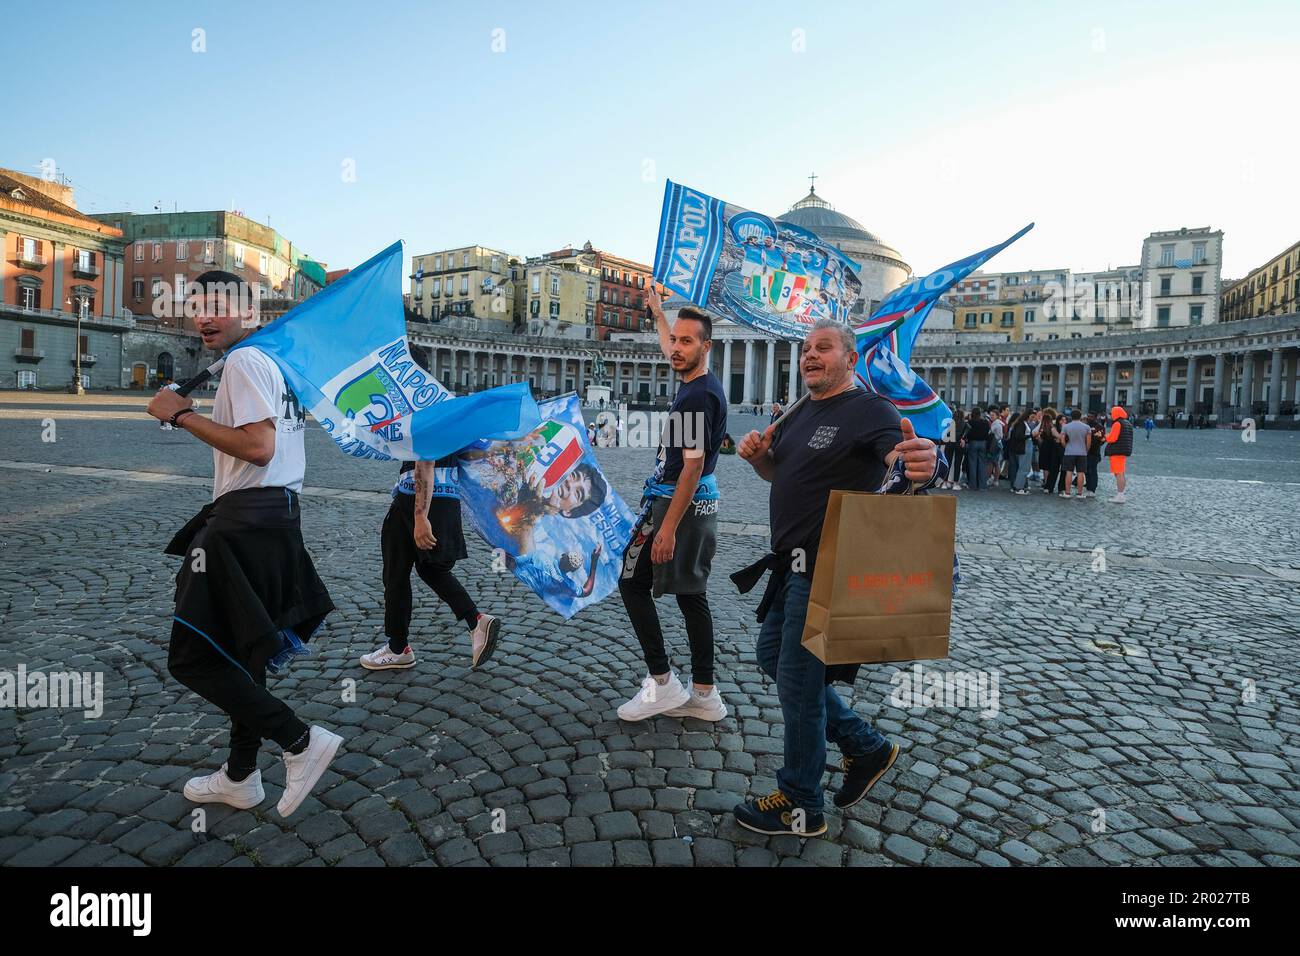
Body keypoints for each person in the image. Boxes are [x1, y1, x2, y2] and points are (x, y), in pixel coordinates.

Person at [730, 318, 941, 836]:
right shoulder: (799, 413)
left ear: (849, 358)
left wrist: (920, 465)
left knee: (800, 687)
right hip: (790, 566)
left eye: (823, 348)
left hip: (828, 566)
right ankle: (865, 747)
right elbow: (783, 473)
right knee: (770, 657)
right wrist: (761, 460)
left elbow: (900, 459)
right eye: (805, 349)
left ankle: (801, 805)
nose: (810, 356)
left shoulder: (870, 410)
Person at [146, 270, 342, 818]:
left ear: (247, 313)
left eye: (216, 307)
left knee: (191, 657)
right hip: (274, 516)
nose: (203, 317)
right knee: (243, 644)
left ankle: (300, 741)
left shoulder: (245, 362)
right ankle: (240, 775)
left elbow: (257, 447)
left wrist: (181, 415)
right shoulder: (270, 363)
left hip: (244, 520)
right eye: (196, 307)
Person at [617, 291, 728, 722]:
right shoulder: (699, 382)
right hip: (699, 505)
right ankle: (704, 693)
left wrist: (666, 529)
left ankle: (663, 684)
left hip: (675, 505)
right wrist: (657, 312)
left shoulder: (695, 397)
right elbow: (671, 344)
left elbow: (692, 467)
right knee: (691, 594)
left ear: (706, 347)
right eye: (674, 340)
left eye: (687, 341)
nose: (676, 348)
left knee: (631, 582)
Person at [360, 457, 501, 672]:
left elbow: (425, 461)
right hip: (446, 500)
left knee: (396, 572)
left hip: (416, 500)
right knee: (432, 568)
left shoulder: (427, 420)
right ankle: (476, 620)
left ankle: (398, 649)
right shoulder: (456, 421)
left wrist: (420, 516)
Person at [1059, 408, 1091, 500]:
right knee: (1081, 473)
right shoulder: (1086, 427)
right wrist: (1086, 450)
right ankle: (1079, 493)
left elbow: (1062, 440)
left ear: (1071, 417)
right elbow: (1088, 442)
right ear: (1080, 417)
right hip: (1082, 452)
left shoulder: (1066, 427)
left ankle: (1068, 492)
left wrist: (1066, 447)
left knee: (1069, 472)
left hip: (1069, 452)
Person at [1105, 405, 1133, 502]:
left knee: (1118, 473)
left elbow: (1113, 438)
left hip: (1117, 451)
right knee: (1121, 473)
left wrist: (1106, 436)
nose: (1111, 415)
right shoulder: (1127, 423)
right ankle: (1121, 494)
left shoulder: (1117, 424)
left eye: (1112, 413)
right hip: (1123, 450)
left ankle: (1120, 495)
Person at [1009, 408, 1034, 495]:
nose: (1033, 418)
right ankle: (1019, 487)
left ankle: (1019, 486)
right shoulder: (1022, 424)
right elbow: (1019, 436)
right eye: (1032, 416)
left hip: (1023, 447)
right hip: (1023, 448)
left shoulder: (1022, 423)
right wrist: (1031, 435)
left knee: (1022, 468)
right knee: (1023, 469)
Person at [1037, 406, 1061, 494]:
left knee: (1045, 467)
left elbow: (1039, 438)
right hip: (1052, 448)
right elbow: (1058, 436)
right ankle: (1049, 484)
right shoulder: (1052, 427)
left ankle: (1046, 483)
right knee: (1051, 466)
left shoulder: (1042, 427)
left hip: (1044, 447)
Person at [965, 406, 990, 490]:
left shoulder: (970, 422)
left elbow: (967, 433)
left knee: (972, 464)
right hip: (983, 443)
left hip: (973, 443)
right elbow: (988, 432)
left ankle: (973, 485)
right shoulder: (985, 422)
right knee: (982, 464)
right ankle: (982, 485)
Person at [1084, 412, 1105, 497]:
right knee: (1086, 471)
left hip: (1094, 452)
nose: (1089, 418)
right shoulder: (1085, 426)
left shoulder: (1099, 427)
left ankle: (1092, 489)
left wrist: (1090, 446)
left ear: (1095, 417)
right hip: (1085, 452)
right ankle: (1088, 487)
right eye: (1088, 416)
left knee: (1092, 471)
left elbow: (1100, 440)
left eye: (1091, 417)